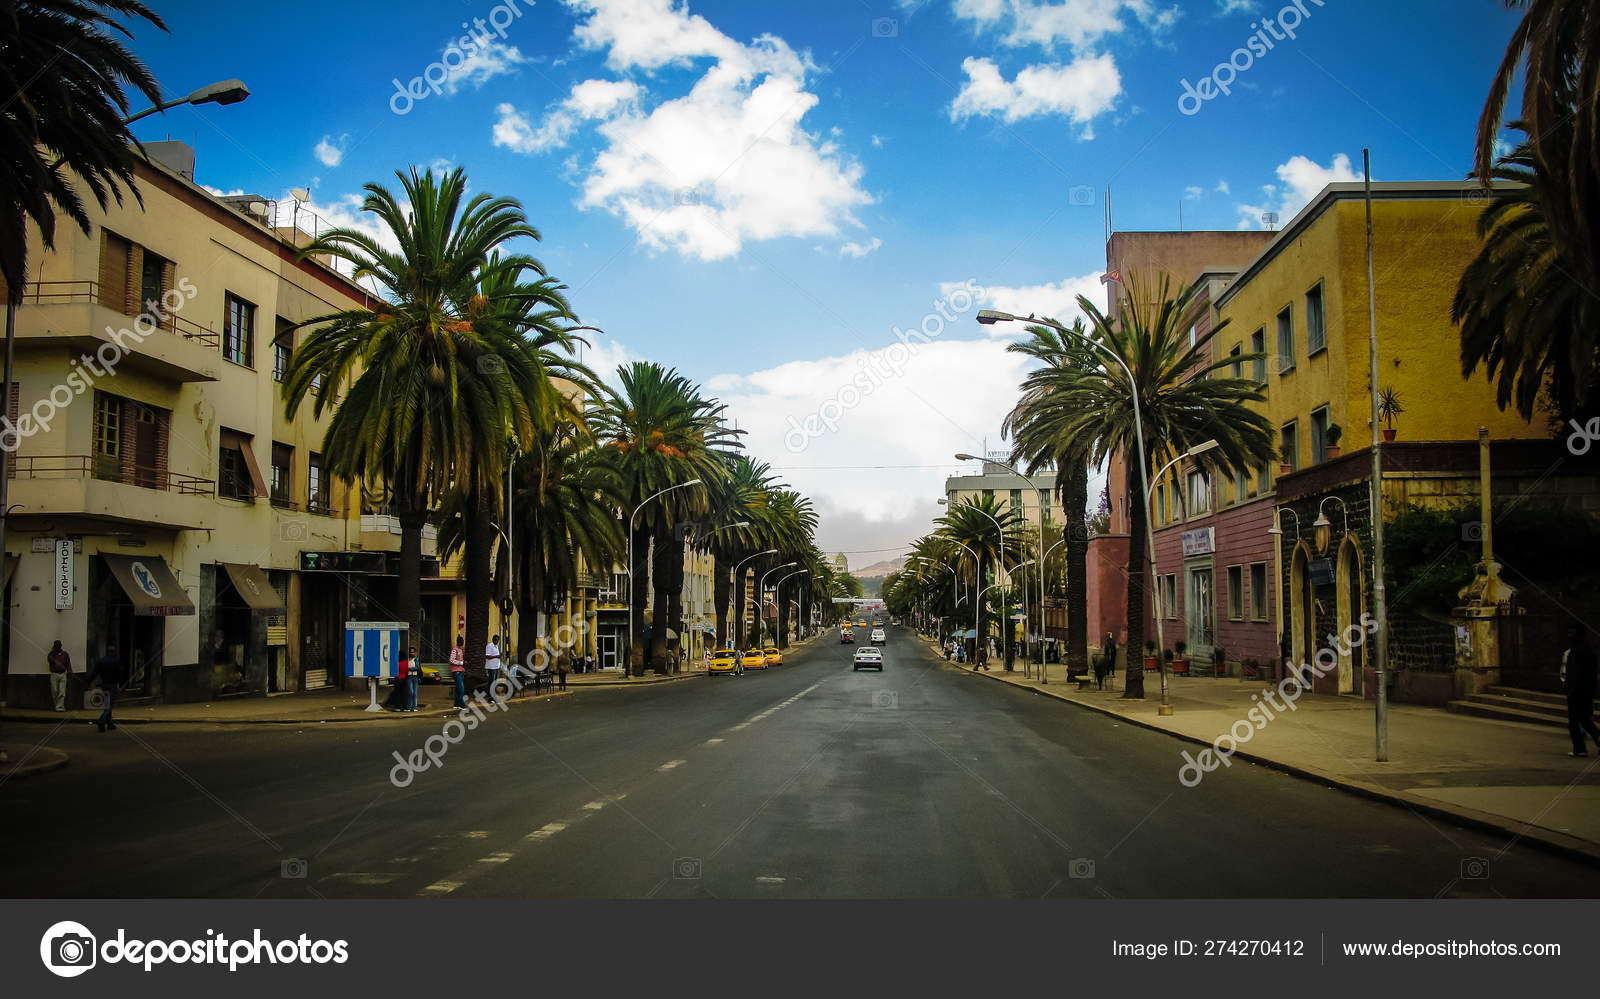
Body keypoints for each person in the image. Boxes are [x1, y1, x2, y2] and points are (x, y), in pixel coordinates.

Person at [1563, 625, 1599, 757]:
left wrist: (1571, 687)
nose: (1569, 635)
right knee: (1584, 719)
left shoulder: (1578, 651)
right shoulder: (1585, 650)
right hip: (1584, 691)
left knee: (1575, 721)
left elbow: (1576, 673)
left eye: (1572, 632)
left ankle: (1579, 748)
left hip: (1578, 691)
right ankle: (1590, 742)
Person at [85, 643, 124, 732]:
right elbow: (120, 674)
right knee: (109, 705)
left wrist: (88, 681)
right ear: (114, 652)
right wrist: (121, 685)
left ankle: (109, 723)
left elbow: (94, 672)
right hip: (113, 684)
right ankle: (102, 720)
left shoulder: (101, 661)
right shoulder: (117, 661)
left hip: (104, 684)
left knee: (107, 703)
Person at [46, 640, 72, 712]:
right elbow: (49, 659)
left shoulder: (65, 654)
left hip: (63, 674)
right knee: (54, 690)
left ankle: (59, 707)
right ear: (54, 647)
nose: (58, 647)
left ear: (61, 646)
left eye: (59, 646)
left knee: (62, 691)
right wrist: (54, 653)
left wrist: (70, 671)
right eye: (56, 646)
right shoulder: (51, 654)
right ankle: (57, 705)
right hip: (54, 674)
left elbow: (68, 663)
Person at [449, 635, 466, 708]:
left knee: (458, 689)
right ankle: (462, 704)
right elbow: (451, 660)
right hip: (456, 671)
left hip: (461, 670)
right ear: (458, 642)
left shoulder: (460, 650)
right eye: (461, 641)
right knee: (461, 688)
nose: (462, 643)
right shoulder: (454, 650)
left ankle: (456, 704)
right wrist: (461, 663)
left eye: (463, 641)